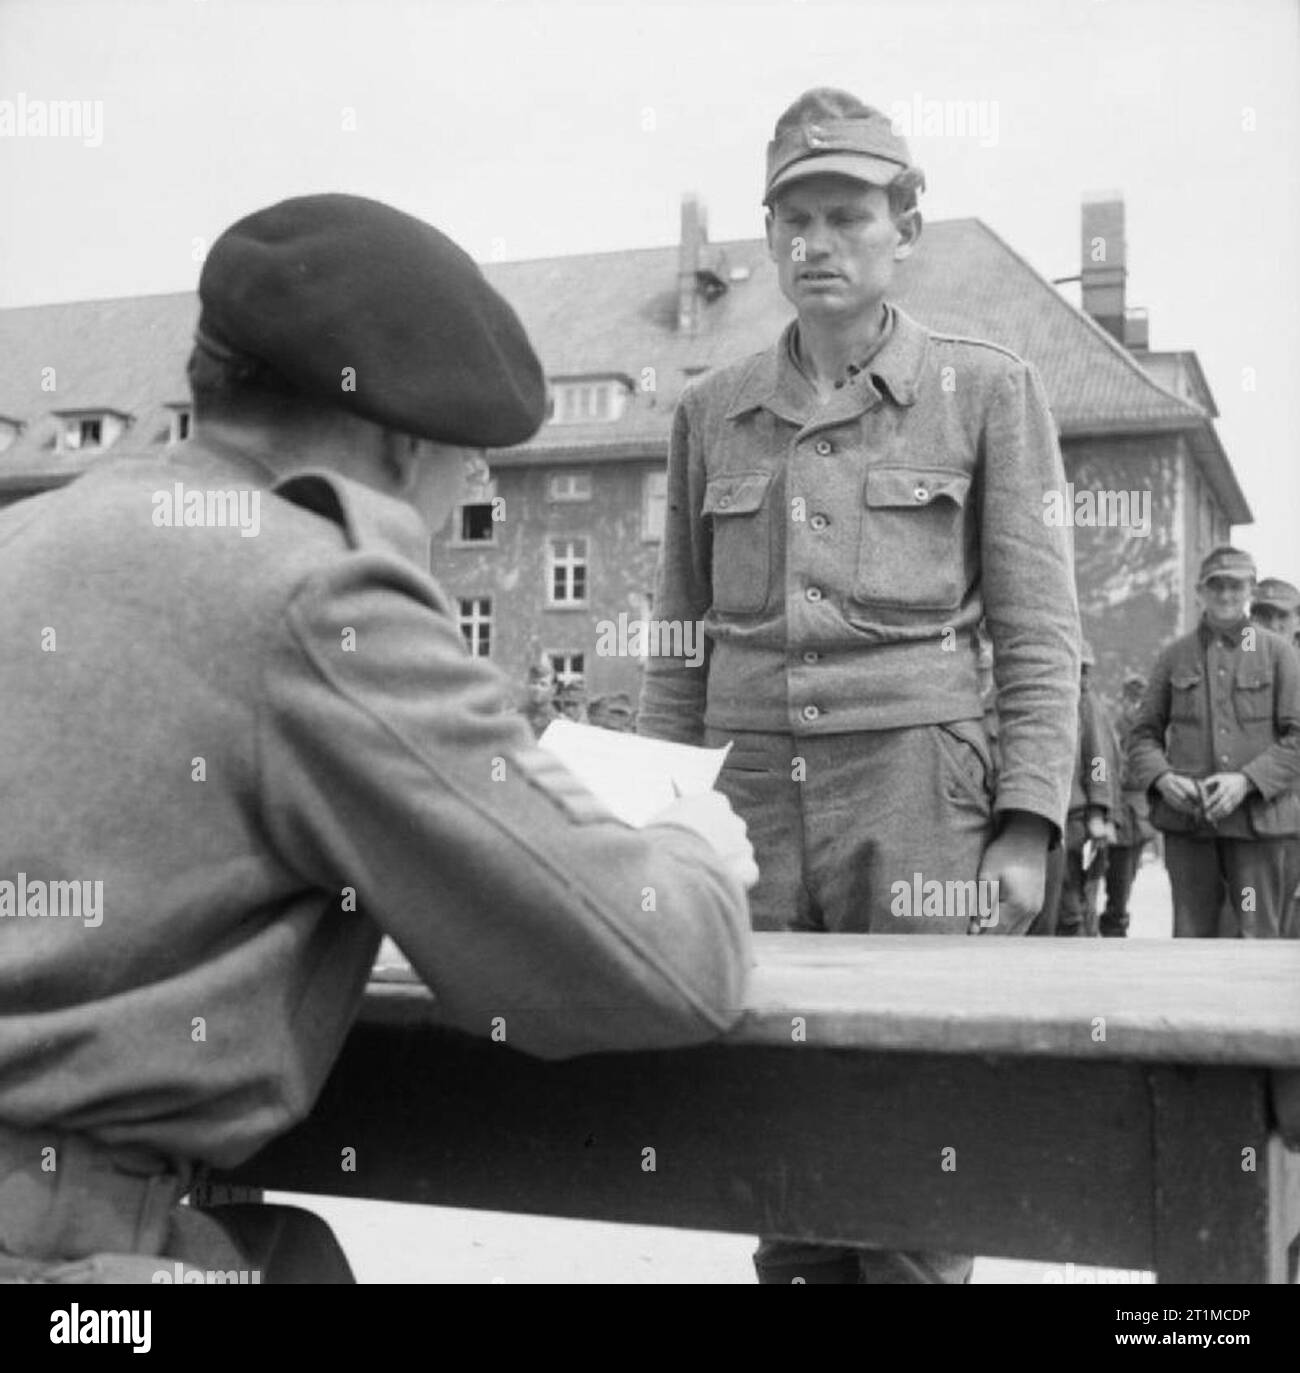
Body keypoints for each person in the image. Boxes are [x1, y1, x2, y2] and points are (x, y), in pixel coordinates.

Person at [0, 194, 758, 1284]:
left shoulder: (28, 533)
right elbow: (652, 965)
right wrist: (690, 850)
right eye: (470, 473)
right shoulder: (319, 593)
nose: (461, 514)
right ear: (405, 445)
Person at [638, 88, 1080, 1284]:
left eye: (846, 216)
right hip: (747, 811)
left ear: (905, 229)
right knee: (773, 1106)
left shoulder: (988, 391)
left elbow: (1042, 632)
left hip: (917, 800)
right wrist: (659, 820)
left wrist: (1027, 824)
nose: (815, 244)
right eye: (794, 220)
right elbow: (679, 639)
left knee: (918, 1122)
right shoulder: (708, 412)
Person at [1128, 547, 1300, 938]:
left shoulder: (1278, 654)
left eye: (1235, 586)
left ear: (1250, 590)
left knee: (1256, 934)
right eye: (1216, 586)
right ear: (1199, 591)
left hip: (1257, 831)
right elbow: (1142, 736)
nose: (1225, 595)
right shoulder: (1175, 656)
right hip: (1192, 831)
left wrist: (1247, 781)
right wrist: (1161, 778)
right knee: (1192, 939)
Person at [1039, 642, 1116, 937]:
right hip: (1046, 813)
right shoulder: (1048, 701)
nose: (1082, 678)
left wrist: (1097, 813)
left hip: (1072, 819)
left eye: (1084, 671)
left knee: (1070, 908)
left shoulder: (1085, 705)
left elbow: (1097, 760)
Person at [1098, 672, 1157, 937]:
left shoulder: (1144, 728)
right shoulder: (1116, 724)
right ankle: (1111, 923)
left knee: (1121, 883)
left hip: (1133, 817)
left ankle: (1114, 924)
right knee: (1113, 882)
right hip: (1118, 812)